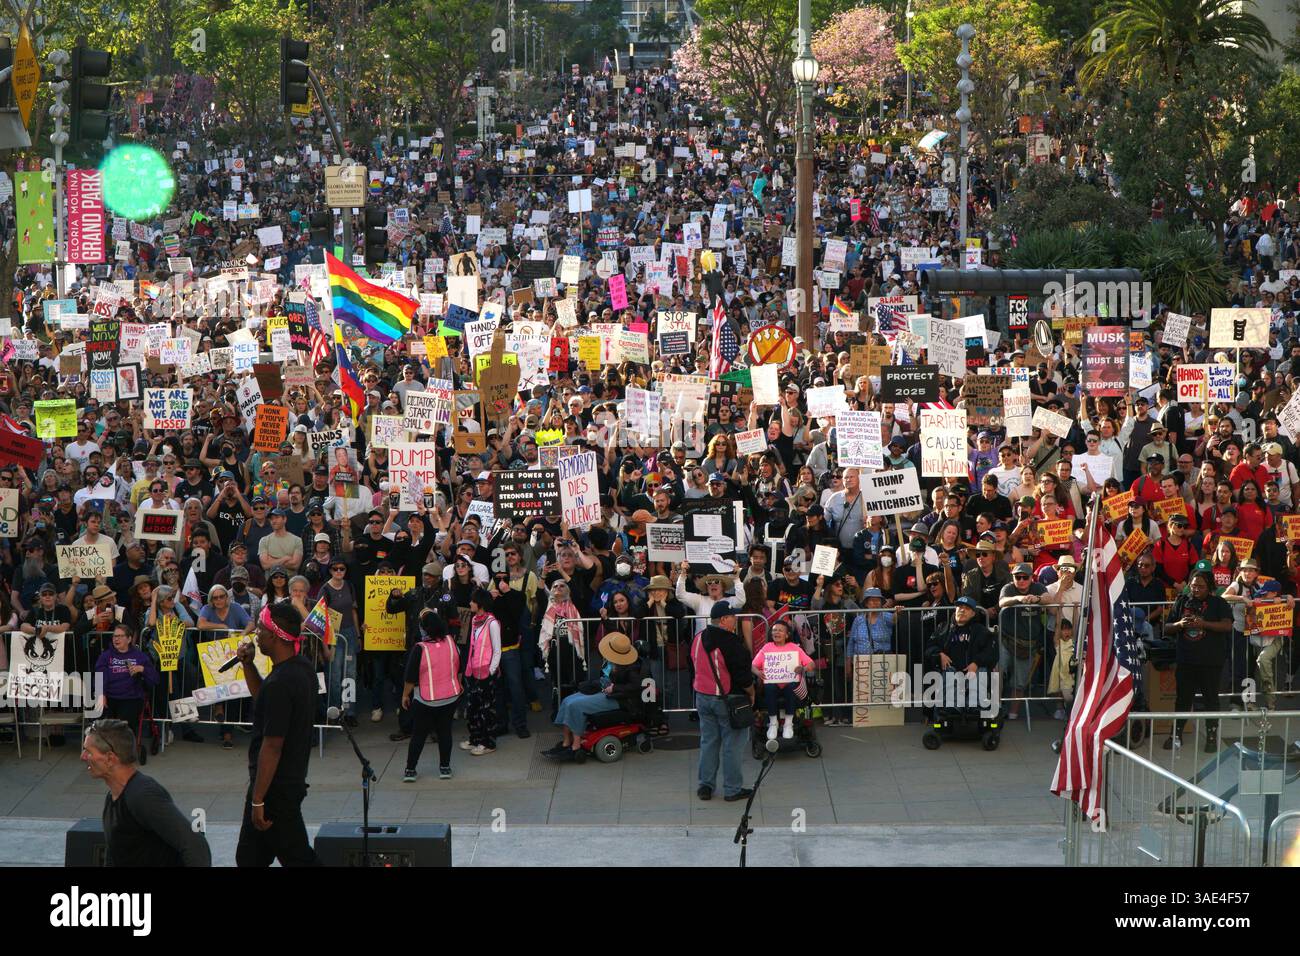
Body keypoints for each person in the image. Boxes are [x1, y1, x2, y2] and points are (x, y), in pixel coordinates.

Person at [233, 601, 320, 867]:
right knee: (249, 859)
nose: (256, 634)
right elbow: (264, 699)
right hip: (286, 781)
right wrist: (248, 666)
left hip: (275, 790)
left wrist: (258, 800)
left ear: (275, 635)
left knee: (298, 859)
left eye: (260, 629)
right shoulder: (301, 668)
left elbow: (272, 746)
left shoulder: (282, 683)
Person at [83, 719, 212, 867]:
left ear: (110, 758)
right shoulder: (113, 797)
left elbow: (195, 846)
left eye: (88, 751)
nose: (83, 757)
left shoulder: (143, 795)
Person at [543, 631, 645, 761]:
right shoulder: (613, 662)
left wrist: (615, 687)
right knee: (567, 700)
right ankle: (566, 741)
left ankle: (576, 746)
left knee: (576, 705)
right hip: (607, 692)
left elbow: (637, 686)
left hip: (619, 699)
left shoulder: (632, 667)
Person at [1163, 570, 1233, 752]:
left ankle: (1211, 736)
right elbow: (1167, 627)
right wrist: (1180, 625)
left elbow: (1227, 625)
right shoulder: (1182, 601)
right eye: (1193, 585)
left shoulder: (1219, 603)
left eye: (1200, 586)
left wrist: (1204, 624)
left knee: (1211, 700)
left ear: (1209, 587)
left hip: (1211, 661)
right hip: (1186, 660)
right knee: (1183, 699)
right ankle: (1176, 734)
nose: (1196, 589)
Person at [692, 601, 754, 802]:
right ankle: (732, 789)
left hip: (702, 695)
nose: (735, 620)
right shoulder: (730, 641)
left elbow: (691, 661)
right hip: (726, 699)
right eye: (733, 617)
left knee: (708, 742)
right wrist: (751, 691)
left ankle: (705, 786)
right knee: (732, 745)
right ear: (724, 620)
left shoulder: (699, 638)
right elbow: (741, 673)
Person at [400, 609, 461, 781]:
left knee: (418, 734)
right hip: (450, 697)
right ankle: (445, 768)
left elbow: (410, 678)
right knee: (445, 732)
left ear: (424, 629)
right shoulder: (451, 642)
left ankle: (410, 770)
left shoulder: (420, 649)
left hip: (426, 700)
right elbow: (459, 668)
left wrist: (405, 695)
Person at [751, 618, 812, 741]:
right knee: (770, 686)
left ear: (787, 634)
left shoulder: (794, 648)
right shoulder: (766, 648)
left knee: (791, 686)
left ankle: (788, 723)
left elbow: (811, 664)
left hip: (791, 684)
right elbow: (753, 666)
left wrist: (803, 668)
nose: (776, 633)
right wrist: (758, 672)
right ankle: (773, 723)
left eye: (780, 630)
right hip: (772, 684)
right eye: (774, 630)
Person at [461, 588, 501, 756]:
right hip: (473, 671)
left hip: (485, 673)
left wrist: (491, 670)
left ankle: (488, 742)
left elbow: (497, 649)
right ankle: (475, 738)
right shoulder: (474, 620)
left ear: (480, 604)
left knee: (486, 710)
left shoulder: (492, 623)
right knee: (472, 707)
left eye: (472, 601)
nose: (470, 603)